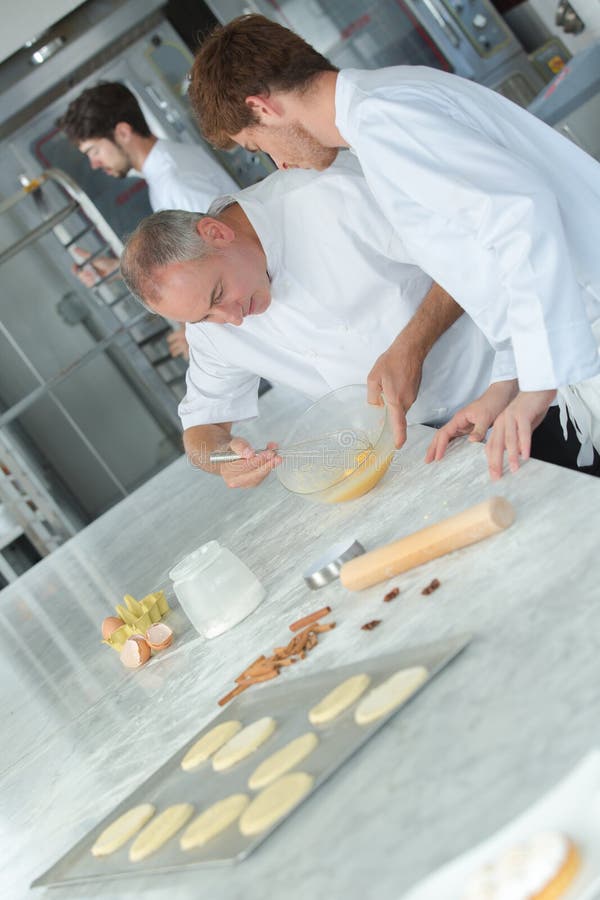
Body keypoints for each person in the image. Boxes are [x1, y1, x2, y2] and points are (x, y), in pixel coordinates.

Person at [188, 14, 600, 479]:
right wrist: (506, 385)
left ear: (262, 108)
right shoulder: (382, 106)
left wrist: (537, 389)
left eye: (255, 143)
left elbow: (522, 222)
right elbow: (485, 257)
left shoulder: (384, 122)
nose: (277, 162)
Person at [120, 153, 496, 489]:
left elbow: (467, 253)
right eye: (205, 318)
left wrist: (414, 344)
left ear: (216, 233)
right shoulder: (212, 325)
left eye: (218, 295)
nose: (231, 319)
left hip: (508, 392)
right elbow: (202, 429)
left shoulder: (324, 192)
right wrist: (222, 460)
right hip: (424, 453)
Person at [58, 81, 239, 359]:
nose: (94, 163)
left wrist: (198, 335)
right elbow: (197, 255)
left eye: (94, 151)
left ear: (122, 132)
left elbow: (231, 256)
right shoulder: (165, 173)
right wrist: (117, 269)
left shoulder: (175, 181)